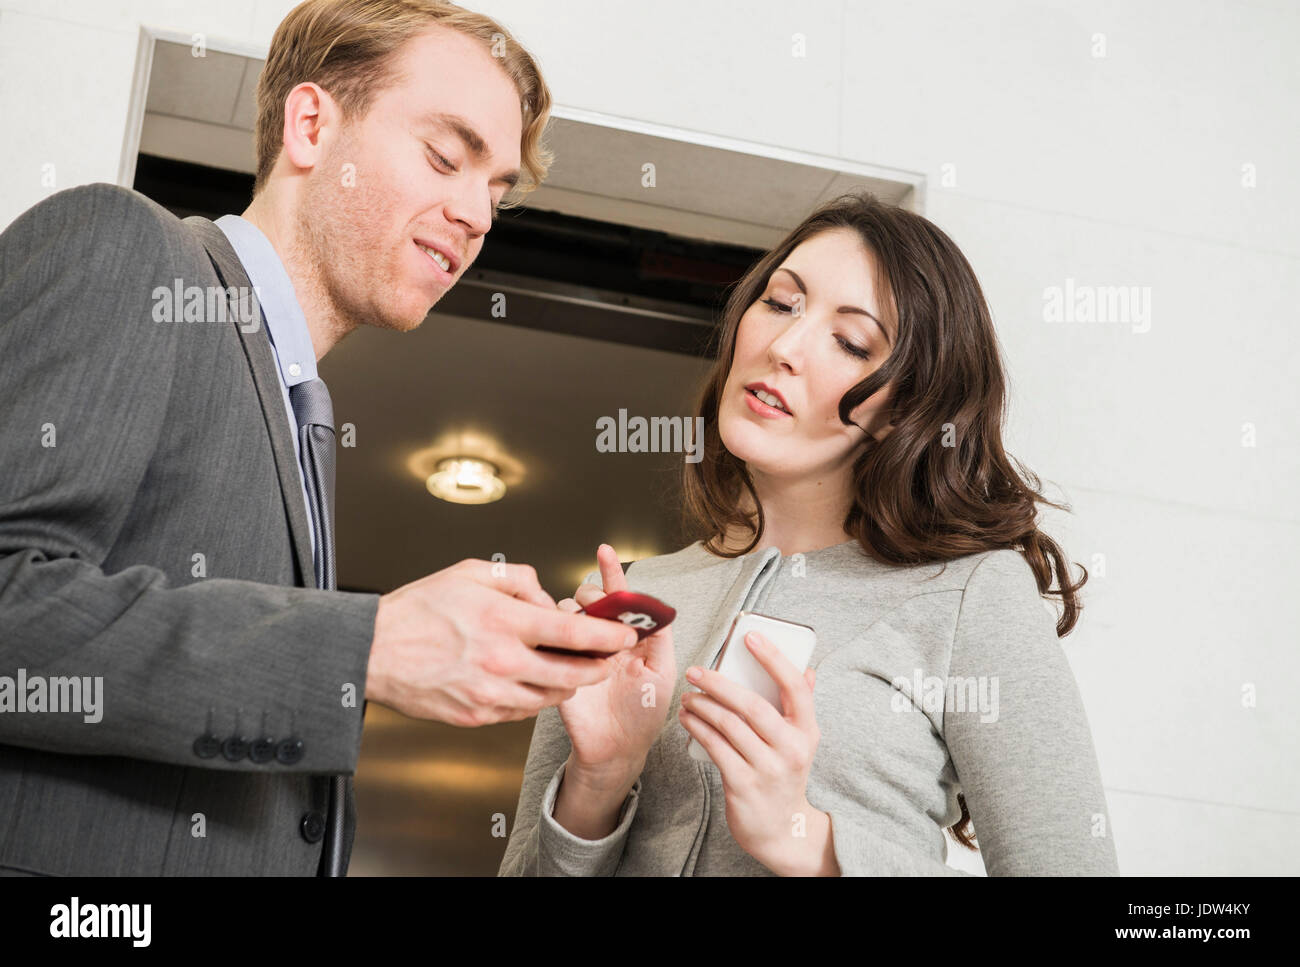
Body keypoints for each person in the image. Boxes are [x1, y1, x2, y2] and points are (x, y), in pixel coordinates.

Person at [0, 0, 638, 877]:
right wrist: (369, 644)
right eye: (445, 157)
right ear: (309, 125)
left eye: (495, 192)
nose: (478, 216)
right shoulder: (129, 251)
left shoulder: (302, 415)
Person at [499, 192, 1121, 876]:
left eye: (851, 342)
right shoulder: (629, 597)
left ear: (905, 409)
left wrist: (805, 837)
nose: (782, 347)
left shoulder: (969, 597)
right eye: (780, 302)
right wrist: (599, 783)